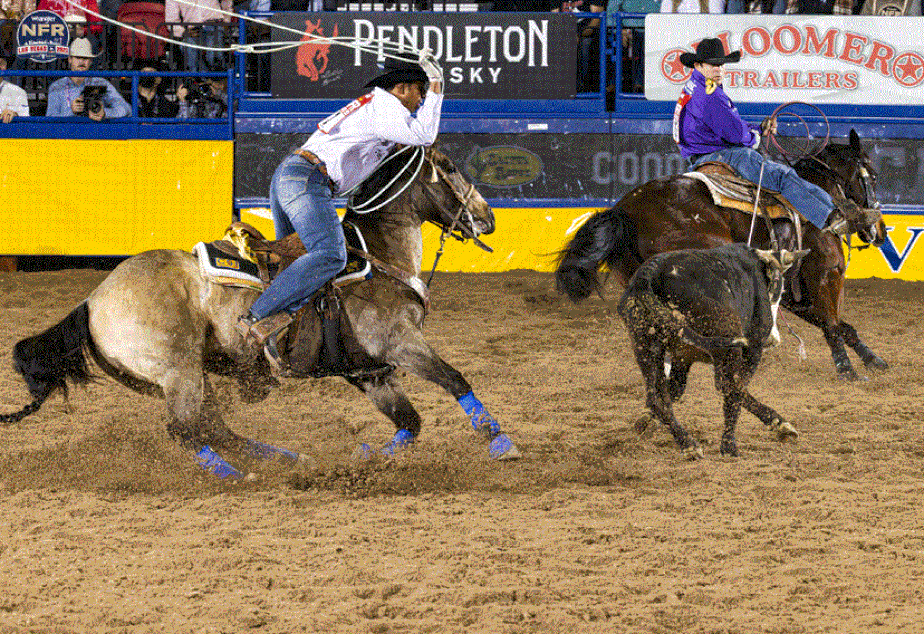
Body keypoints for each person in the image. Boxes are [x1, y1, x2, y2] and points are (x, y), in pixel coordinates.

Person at [236, 52, 444, 352]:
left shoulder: (375, 108)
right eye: (419, 90)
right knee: (330, 255)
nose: (422, 99)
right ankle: (255, 316)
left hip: (293, 175)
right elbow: (424, 134)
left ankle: (285, 341)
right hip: (308, 181)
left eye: (426, 92)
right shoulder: (383, 109)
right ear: (401, 89)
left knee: (298, 265)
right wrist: (437, 83)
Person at [672, 38, 879, 237]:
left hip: (707, 153)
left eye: (721, 65)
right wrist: (755, 137)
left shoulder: (697, 88)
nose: (719, 70)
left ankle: (837, 210)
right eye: (713, 65)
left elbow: (725, 126)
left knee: (781, 175)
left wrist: (758, 129)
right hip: (721, 155)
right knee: (782, 176)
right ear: (698, 65)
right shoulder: (709, 95)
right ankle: (831, 217)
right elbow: (735, 135)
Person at [46, 37, 130, 119]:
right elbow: (50, 117)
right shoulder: (57, 86)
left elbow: (126, 109)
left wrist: (104, 113)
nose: (82, 62)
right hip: (68, 131)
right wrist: (71, 111)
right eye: (78, 57)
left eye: (85, 58)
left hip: (95, 130)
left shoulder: (100, 83)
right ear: (70, 59)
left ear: (90, 61)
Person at [164, 0, 232, 74]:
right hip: (192, 29)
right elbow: (171, 20)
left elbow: (227, 3)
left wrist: (227, 21)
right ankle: (204, 81)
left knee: (213, 57)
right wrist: (184, 32)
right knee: (188, 51)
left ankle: (221, 79)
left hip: (214, 24)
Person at [0, 42, 28, 122]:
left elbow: (25, 124)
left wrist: (16, 115)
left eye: (2, 63)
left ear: (4, 66)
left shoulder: (18, 92)